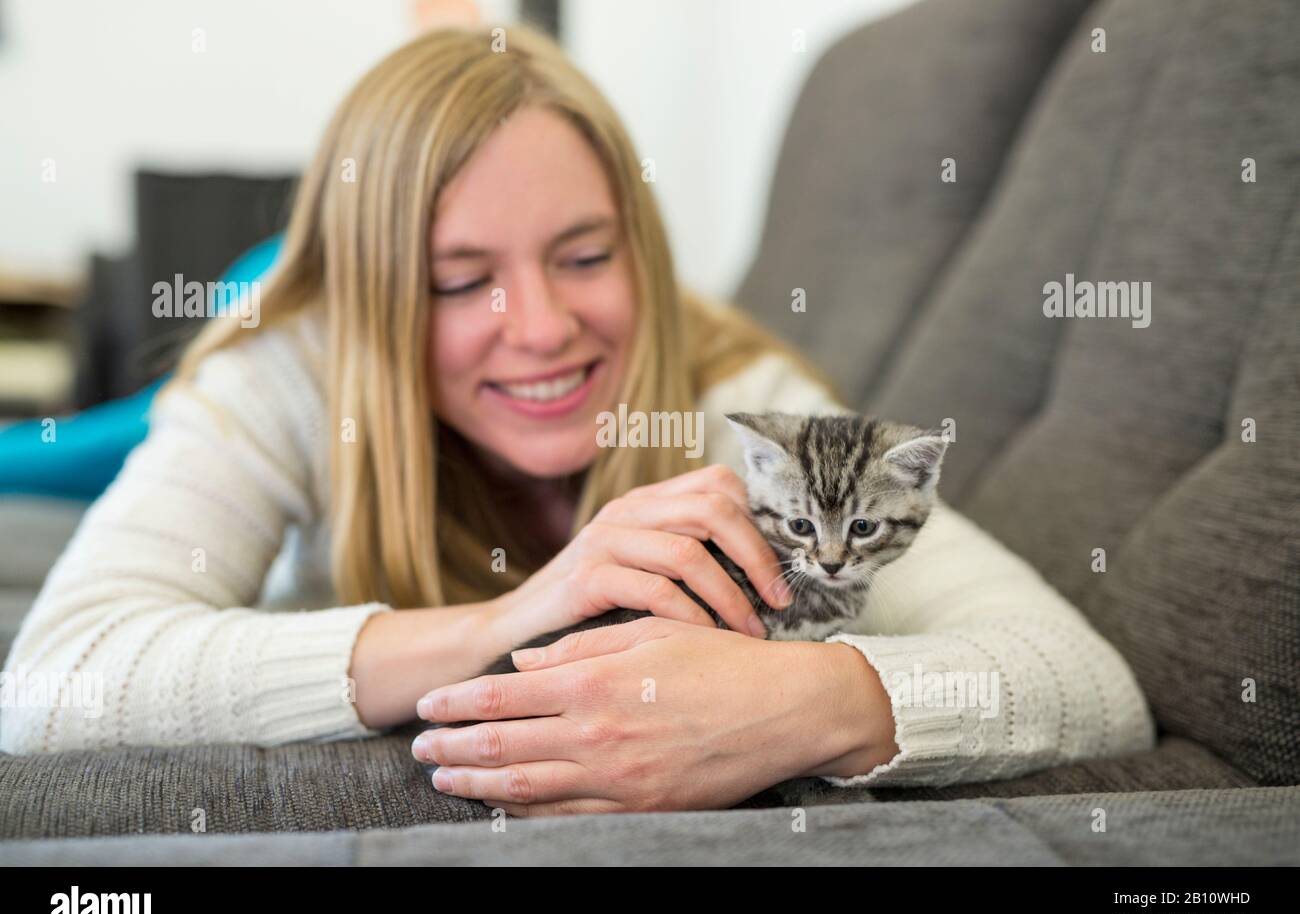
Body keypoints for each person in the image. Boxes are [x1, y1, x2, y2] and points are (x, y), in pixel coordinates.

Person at [0, 25, 1154, 815]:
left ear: (639, 253)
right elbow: (56, 679)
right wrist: (510, 615)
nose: (542, 325)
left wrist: (817, 702)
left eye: (585, 255)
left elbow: (1082, 679)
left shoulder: (735, 407)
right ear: (380, 297)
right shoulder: (292, 374)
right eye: (459, 279)